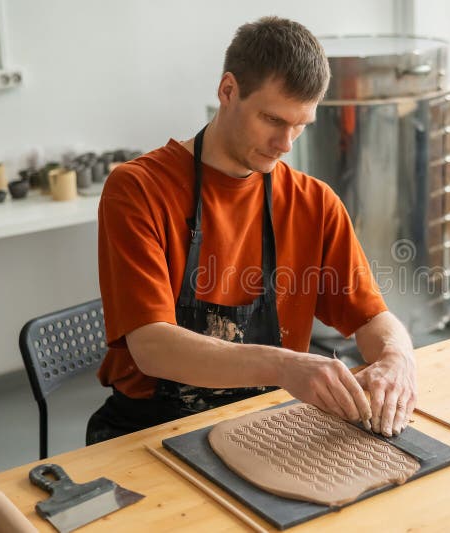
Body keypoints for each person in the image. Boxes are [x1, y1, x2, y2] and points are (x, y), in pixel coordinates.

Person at [86, 16, 416, 445]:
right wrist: (284, 366)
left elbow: (371, 316)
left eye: (301, 125)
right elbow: (152, 347)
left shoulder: (314, 202)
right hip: (152, 429)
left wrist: (398, 356)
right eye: (273, 119)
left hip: (265, 423)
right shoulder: (138, 189)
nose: (287, 144)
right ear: (228, 91)